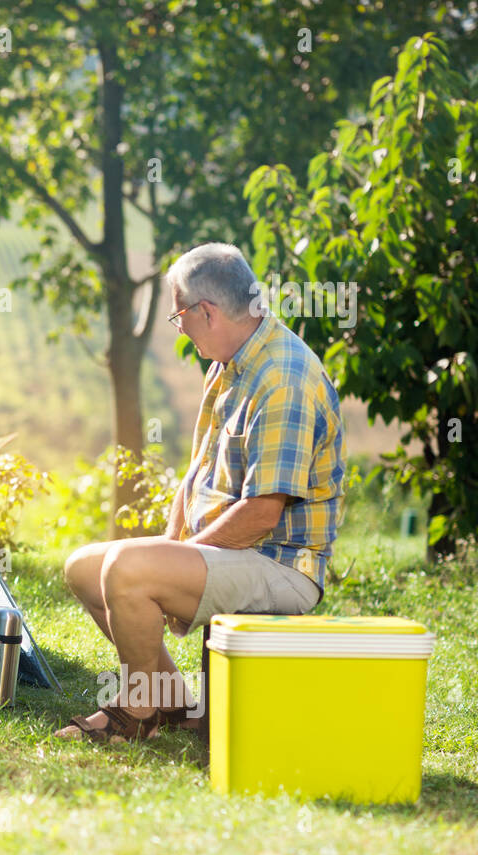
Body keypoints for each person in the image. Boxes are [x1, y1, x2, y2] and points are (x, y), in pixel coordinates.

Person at [58, 242, 344, 742]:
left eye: (179, 318)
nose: (181, 330)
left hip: (280, 564)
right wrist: (170, 551)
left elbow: (261, 513)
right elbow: (197, 475)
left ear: (206, 312)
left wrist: (175, 560)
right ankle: (169, 700)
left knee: (126, 568)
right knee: (84, 565)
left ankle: (138, 710)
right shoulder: (229, 363)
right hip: (239, 551)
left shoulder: (283, 380)